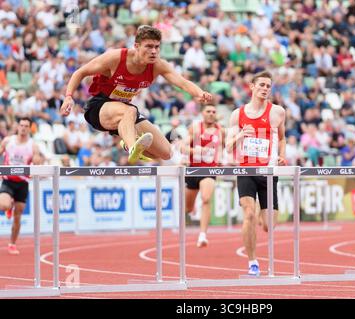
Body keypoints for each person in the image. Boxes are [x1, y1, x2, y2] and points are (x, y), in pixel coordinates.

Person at [59, 25, 212, 164]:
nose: (153, 51)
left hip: (126, 114)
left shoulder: (158, 65)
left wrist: (199, 93)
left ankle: (127, 142)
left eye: (157, 47)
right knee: (130, 110)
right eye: (149, 46)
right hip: (99, 108)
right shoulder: (116, 58)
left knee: (166, 153)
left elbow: (182, 82)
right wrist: (68, 97)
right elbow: (80, 72)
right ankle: (132, 146)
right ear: (137, 46)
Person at [225, 71, 286, 276]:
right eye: (261, 84)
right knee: (248, 214)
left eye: (268, 86)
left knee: (269, 225)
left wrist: (281, 156)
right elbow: (227, 147)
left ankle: (263, 213)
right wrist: (241, 135)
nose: (265, 89)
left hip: (268, 171)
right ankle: (252, 262)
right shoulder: (237, 114)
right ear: (252, 86)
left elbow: (283, 139)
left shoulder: (277, 112)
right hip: (246, 169)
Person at [184, 104, 225, 248]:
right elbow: (183, 147)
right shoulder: (195, 128)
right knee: (187, 208)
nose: (211, 113)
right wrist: (196, 150)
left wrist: (221, 159)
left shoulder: (221, 131)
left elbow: (225, 147)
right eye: (208, 111)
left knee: (206, 199)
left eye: (214, 111)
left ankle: (202, 236)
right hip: (193, 170)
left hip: (209, 171)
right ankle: (192, 209)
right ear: (202, 113)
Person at [0, 117, 40, 255]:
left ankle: (12, 243)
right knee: (4, 205)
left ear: (30, 128)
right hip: (8, 180)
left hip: (22, 183)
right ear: (17, 127)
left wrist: (37, 160)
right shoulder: (8, 141)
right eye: (21, 125)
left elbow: (37, 161)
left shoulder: (32, 145)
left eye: (26, 126)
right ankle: (8, 206)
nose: (23, 128)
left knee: (18, 216)